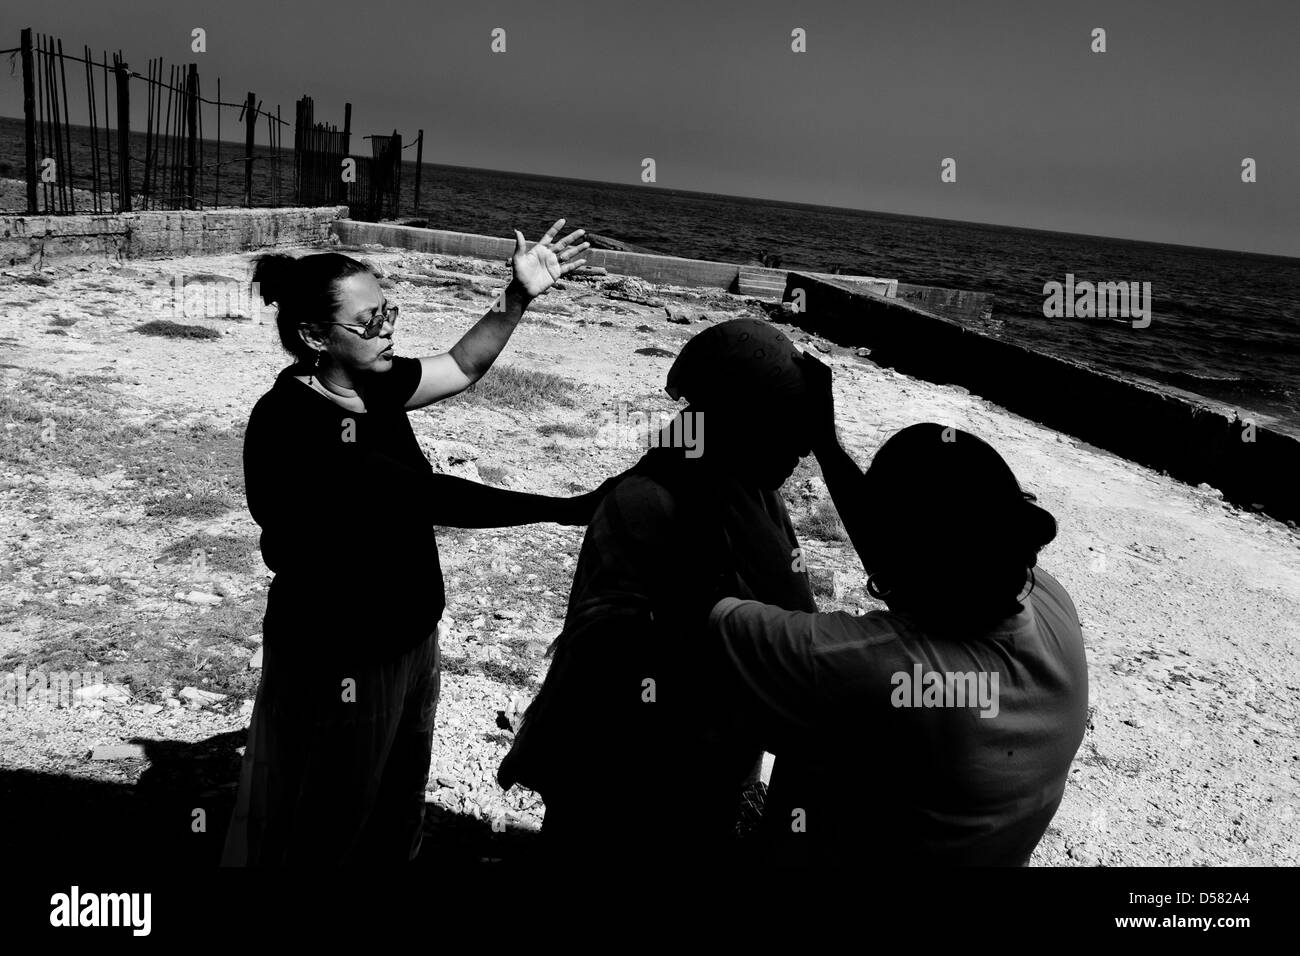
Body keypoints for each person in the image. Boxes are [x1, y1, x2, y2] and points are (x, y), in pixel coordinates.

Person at [222, 220, 611, 866]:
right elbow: (428, 496)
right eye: (369, 321)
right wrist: (568, 509)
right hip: (345, 650)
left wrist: (518, 298)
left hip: (410, 636)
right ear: (316, 335)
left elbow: (461, 366)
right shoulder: (293, 421)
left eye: (388, 313)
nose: (388, 330)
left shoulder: (371, 383)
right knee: (329, 819)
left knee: (397, 802)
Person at [708, 356, 1088, 866]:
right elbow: (933, 549)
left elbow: (701, 613)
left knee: (803, 729)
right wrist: (825, 442)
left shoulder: (882, 667)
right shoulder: (1044, 596)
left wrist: (731, 515)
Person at [497, 318, 819, 866]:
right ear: (734, 423)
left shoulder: (753, 496)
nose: (804, 447)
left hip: (706, 758)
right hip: (627, 762)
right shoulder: (648, 500)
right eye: (785, 424)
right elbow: (604, 647)